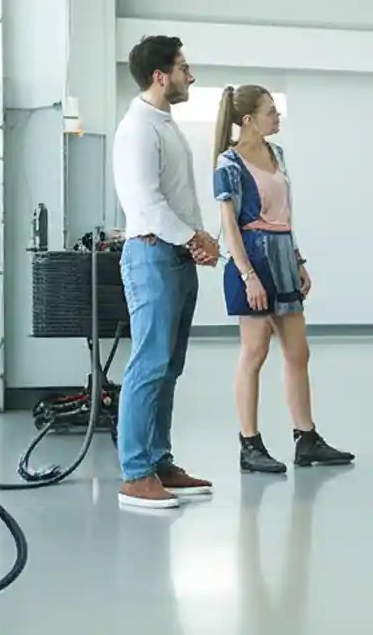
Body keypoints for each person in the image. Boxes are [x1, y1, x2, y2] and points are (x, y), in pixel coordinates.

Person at [212, 84, 354, 474]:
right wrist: (248, 276)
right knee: (254, 351)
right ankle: (250, 444)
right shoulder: (228, 163)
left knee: (297, 351)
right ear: (248, 120)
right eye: (271, 111)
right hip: (252, 258)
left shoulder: (279, 155)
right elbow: (230, 225)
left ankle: (306, 438)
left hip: (281, 254)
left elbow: (286, 215)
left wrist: (297, 259)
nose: (278, 117)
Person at [111, 35, 219, 509]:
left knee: (169, 367)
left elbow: (178, 197)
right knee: (150, 365)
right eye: (183, 68)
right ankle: (135, 473)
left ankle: (159, 461)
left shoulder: (165, 124)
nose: (189, 75)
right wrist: (196, 239)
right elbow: (146, 204)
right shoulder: (138, 128)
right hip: (152, 255)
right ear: (160, 76)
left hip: (174, 256)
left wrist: (196, 236)